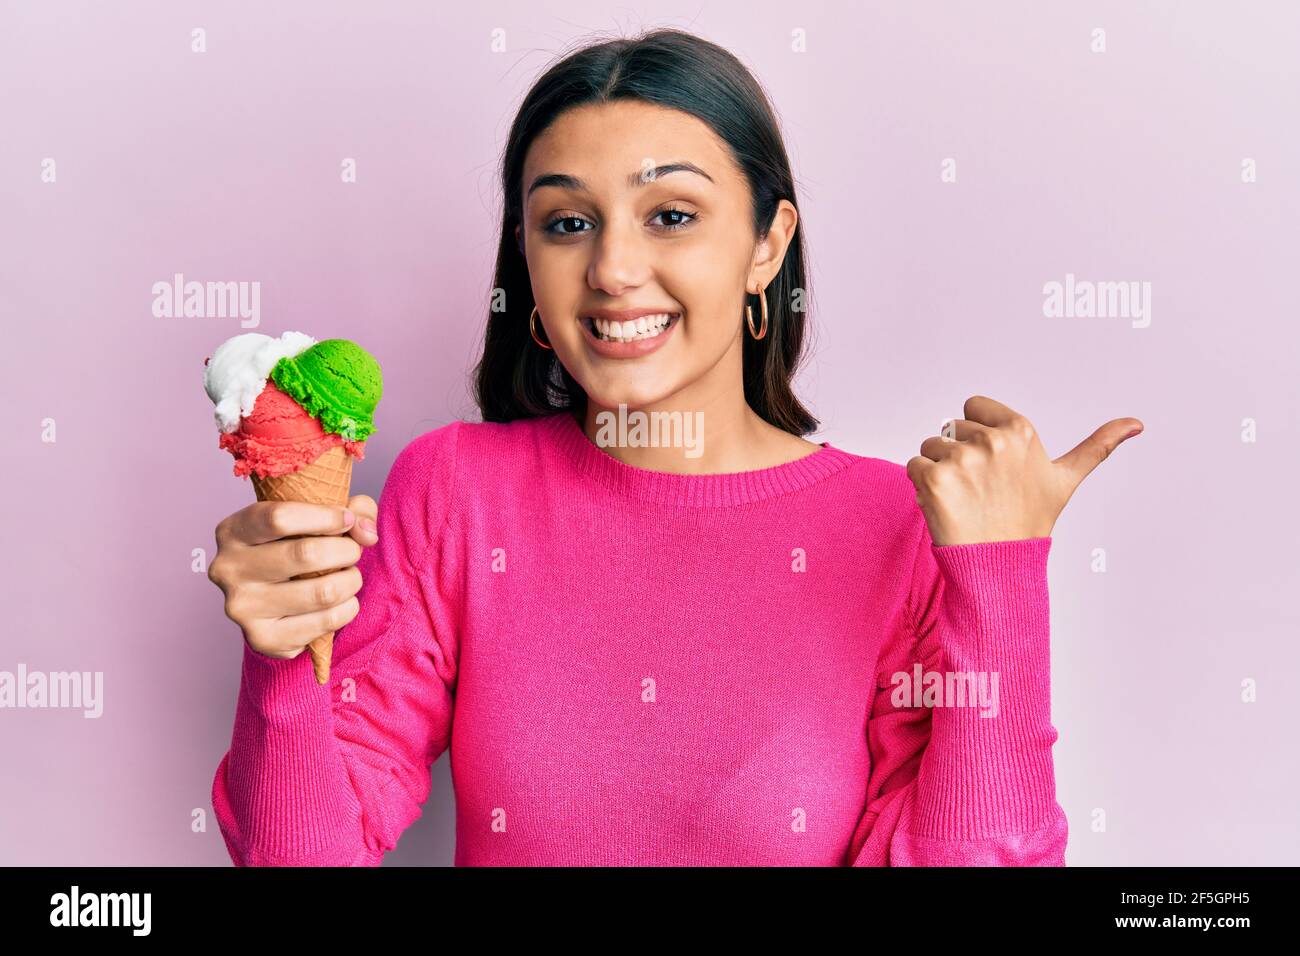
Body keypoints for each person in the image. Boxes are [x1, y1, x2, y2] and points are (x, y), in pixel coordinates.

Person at [207, 28, 1141, 866]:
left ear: (768, 246)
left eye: (672, 215)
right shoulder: (456, 492)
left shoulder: (894, 524)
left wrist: (1002, 576)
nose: (612, 270)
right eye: (567, 223)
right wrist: (287, 649)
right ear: (526, 259)